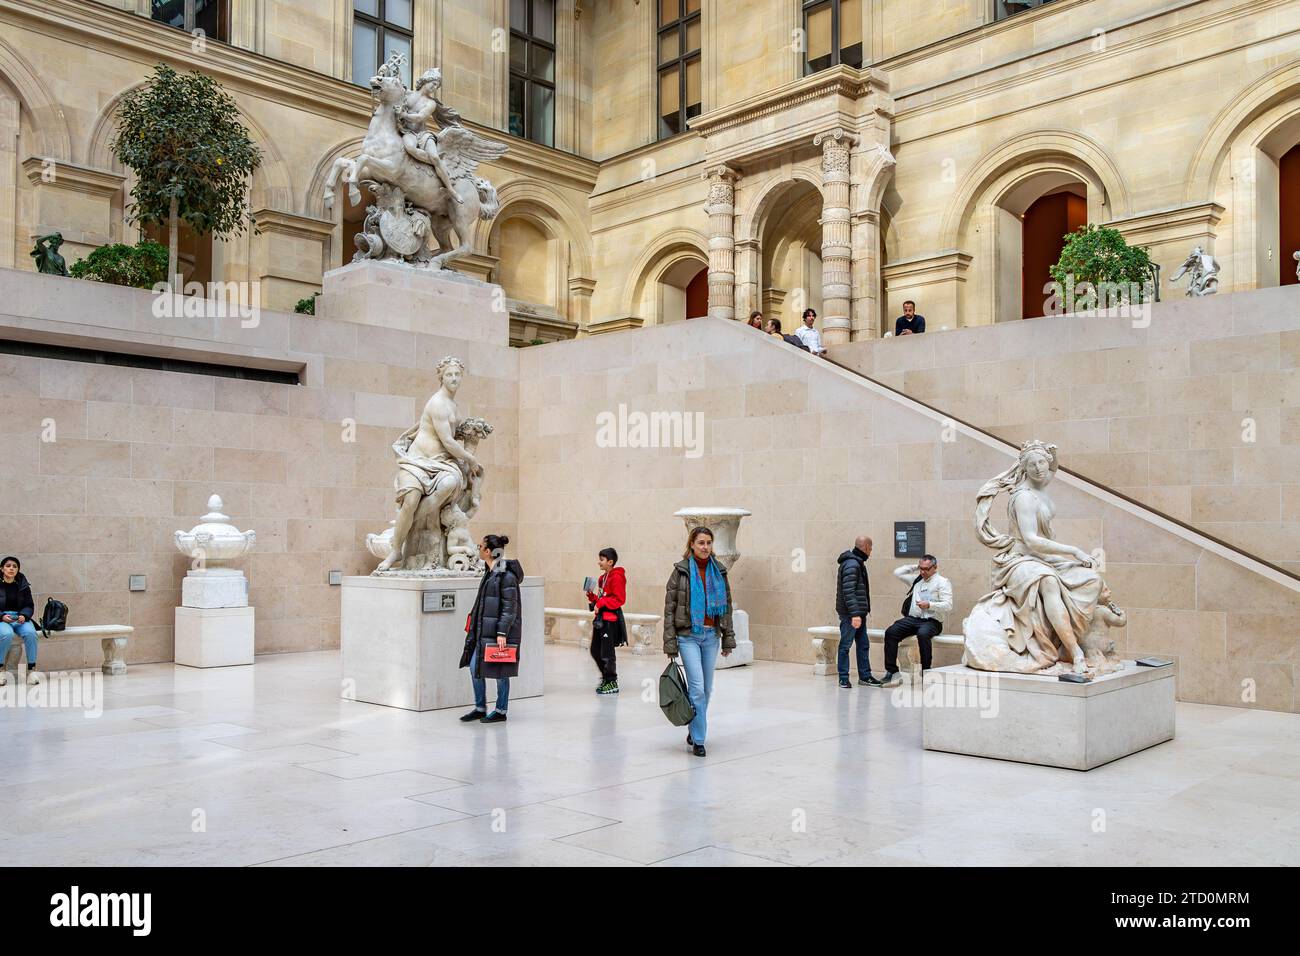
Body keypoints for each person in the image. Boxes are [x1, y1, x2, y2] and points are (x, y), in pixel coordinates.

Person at [663, 526, 735, 757]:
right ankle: (700, 740)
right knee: (696, 689)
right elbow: (669, 609)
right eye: (701, 543)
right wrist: (670, 642)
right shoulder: (680, 571)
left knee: (706, 688)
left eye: (708, 543)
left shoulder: (719, 571)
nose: (705, 547)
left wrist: (728, 640)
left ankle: (694, 731)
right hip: (688, 637)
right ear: (692, 545)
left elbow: (727, 608)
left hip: (711, 636)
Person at [458, 534, 524, 723]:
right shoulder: (490, 572)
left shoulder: (506, 576)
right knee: (474, 667)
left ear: (488, 551)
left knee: (501, 670)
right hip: (483, 629)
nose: (478, 548)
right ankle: (480, 707)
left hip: (498, 632)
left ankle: (501, 710)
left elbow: (510, 606)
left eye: (480, 546)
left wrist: (502, 632)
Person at [880, 554, 953, 687]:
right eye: (921, 568)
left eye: (926, 569)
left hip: (932, 621)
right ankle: (892, 672)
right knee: (891, 632)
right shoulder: (917, 580)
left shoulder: (942, 582)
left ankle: (926, 671)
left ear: (935, 567)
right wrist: (916, 566)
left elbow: (948, 605)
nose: (923, 572)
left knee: (923, 634)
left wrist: (930, 605)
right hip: (913, 619)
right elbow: (897, 572)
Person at [834, 536, 880, 688]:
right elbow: (849, 591)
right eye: (871, 548)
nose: (871, 552)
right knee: (845, 645)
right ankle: (843, 677)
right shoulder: (852, 564)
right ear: (866, 547)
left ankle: (865, 676)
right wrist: (854, 614)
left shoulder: (856, 562)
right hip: (851, 615)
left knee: (863, 644)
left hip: (859, 613)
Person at [586, 547, 627, 694]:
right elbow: (603, 598)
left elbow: (619, 599)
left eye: (602, 560)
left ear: (610, 562)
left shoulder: (617, 577)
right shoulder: (602, 578)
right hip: (600, 620)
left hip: (610, 621)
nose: (599, 562)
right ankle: (606, 677)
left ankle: (611, 681)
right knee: (595, 650)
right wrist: (592, 597)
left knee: (607, 653)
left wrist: (601, 603)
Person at [0, 556, 39, 686]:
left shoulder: (22, 585)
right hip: (3, 619)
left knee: (31, 634)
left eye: (15, 566)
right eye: (8, 565)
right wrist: (1, 617)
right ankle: (1, 670)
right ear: (2, 568)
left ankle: (31, 670)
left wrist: (24, 615)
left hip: (20, 618)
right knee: (6, 634)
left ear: (18, 570)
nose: (11, 568)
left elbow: (29, 604)